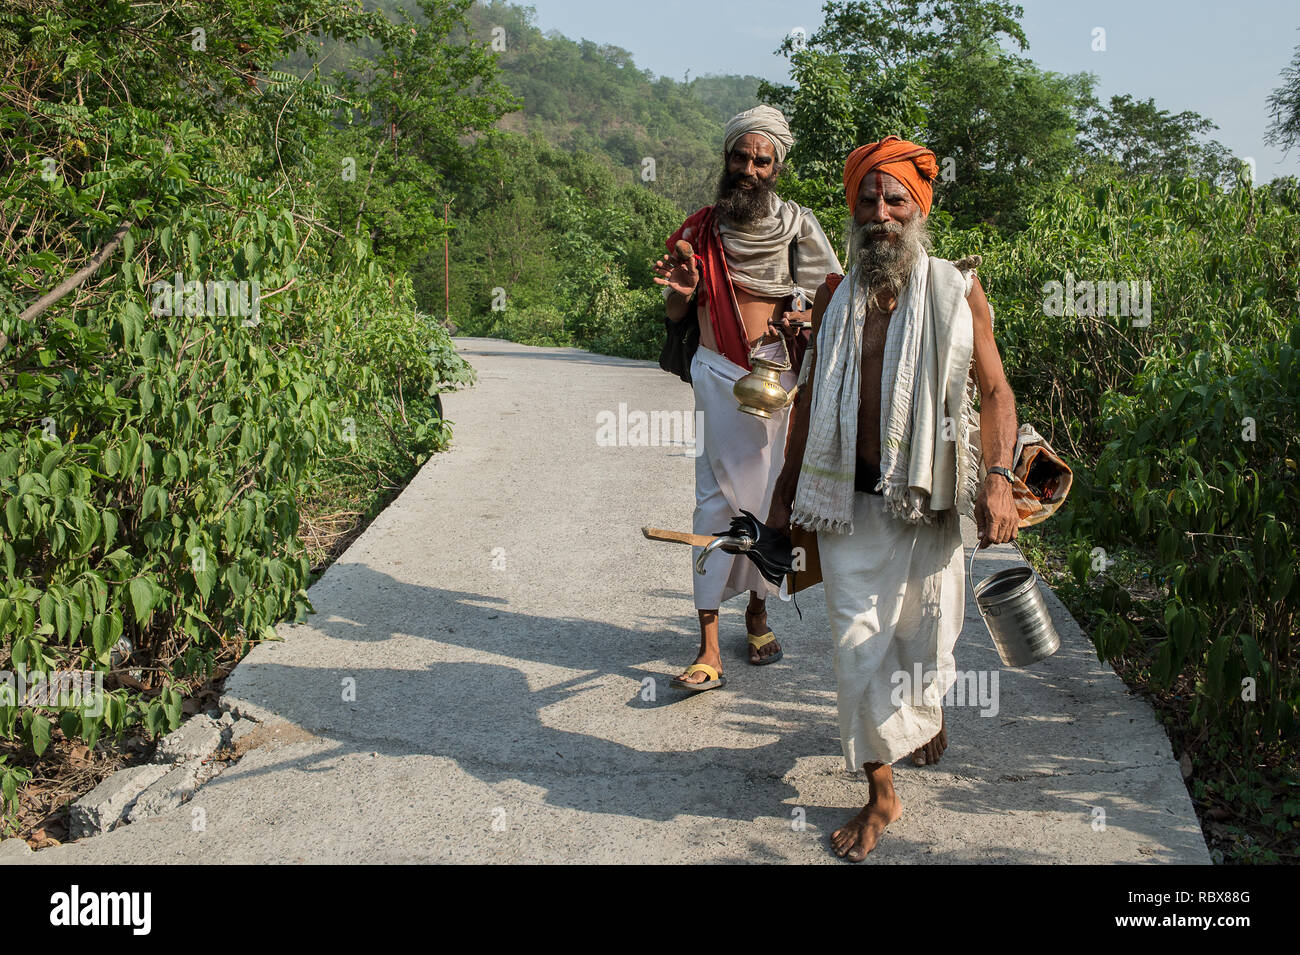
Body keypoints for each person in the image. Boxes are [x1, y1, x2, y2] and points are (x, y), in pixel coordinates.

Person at [767, 136, 1022, 860]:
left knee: (926, 643)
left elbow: (996, 390)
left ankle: (926, 711)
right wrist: (785, 499)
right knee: (856, 652)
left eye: (894, 199)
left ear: (919, 208)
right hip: (849, 506)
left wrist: (998, 480)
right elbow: (811, 399)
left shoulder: (954, 287)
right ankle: (882, 791)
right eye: (867, 200)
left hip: (928, 505)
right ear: (852, 210)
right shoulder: (834, 295)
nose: (880, 213)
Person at [652, 105, 841, 691]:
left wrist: (801, 318)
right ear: (727, 158)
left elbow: (827, 299)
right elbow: (677, 311)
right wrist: (682, 294)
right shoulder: (699, 229)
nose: (750, 169)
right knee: (715, 503)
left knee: (769, 501)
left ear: (777, 167)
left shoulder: (800, 227)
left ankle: (758, 611)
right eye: (741, 157)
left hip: (776, 383)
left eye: (763, 160)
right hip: (716, 374)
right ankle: (709, 642)